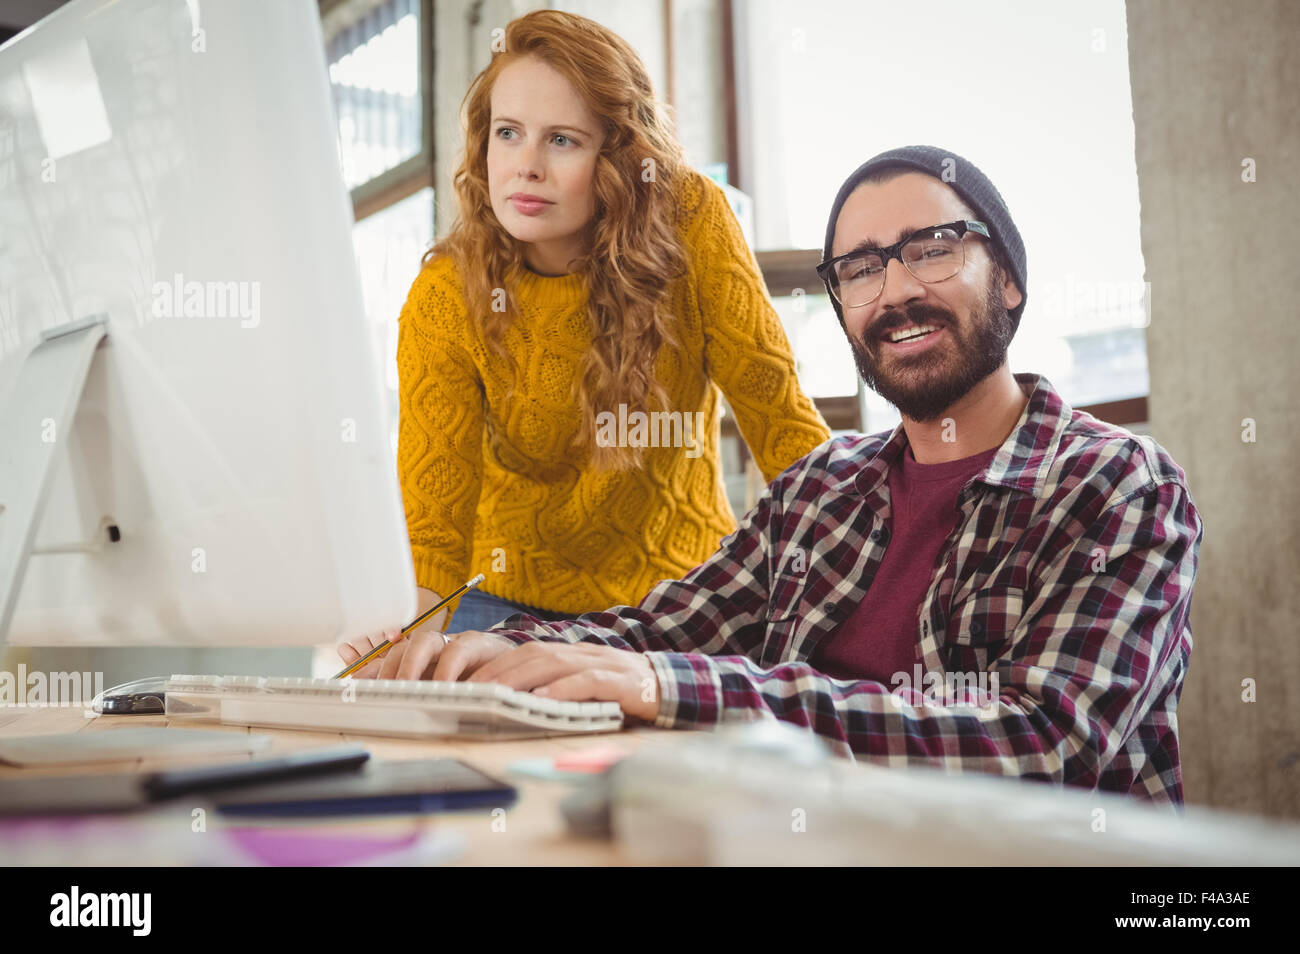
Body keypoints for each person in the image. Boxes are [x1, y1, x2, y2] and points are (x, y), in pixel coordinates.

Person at [344, 145, 1202, 807]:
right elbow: (662, 632)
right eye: (860, 270)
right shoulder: (823, 490)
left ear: (1008, 281)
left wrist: (676, 690)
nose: (894, 289)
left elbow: (1042, 744)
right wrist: (484, 653)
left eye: (932, 250)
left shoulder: (1119, 485)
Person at [343, 9, 829, 648]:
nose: (526, 166)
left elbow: (782, 427)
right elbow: (433, 537)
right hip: (502, 608)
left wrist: (857, 592)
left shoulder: (691, 222)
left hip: (684, 597)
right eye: (508, 133)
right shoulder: (446, 295)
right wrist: (399, 648)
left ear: (619, 155)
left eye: (563, 140)